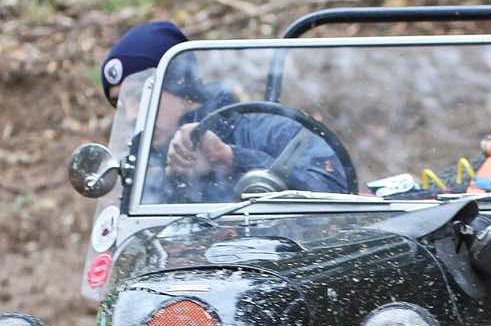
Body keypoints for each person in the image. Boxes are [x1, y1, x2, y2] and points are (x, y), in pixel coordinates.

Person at [98, 21, 349, 202]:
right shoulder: (143, 169)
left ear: (180, 85)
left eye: (140, 95)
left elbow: (338, 192)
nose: (131, 115)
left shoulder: (268, 131)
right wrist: (171, 184)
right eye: (119, 104)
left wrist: (230, 158)